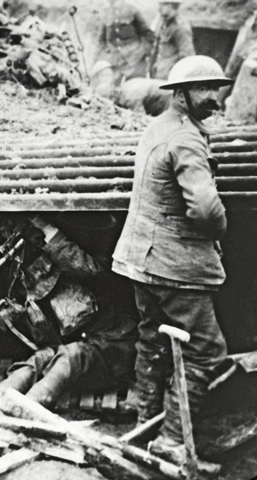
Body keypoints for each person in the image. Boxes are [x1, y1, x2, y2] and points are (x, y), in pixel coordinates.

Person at [112, 56, 233, 463]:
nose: (214, 97)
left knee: (155, 341)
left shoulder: (159, 127)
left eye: (216, 88)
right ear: (180, 93)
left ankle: (144, 427)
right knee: (205, 351)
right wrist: (220, 231)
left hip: (140, 259)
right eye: (204, 89)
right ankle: (170, 440)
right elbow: (205, 209)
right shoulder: (185, 138)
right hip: (173, 265)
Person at [0, 214, 138, 410]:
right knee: (38, 361)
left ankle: (26, 408)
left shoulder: (96, 258)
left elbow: (89, 270)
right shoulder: (37, 268)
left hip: (110, 348)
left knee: (71, 356)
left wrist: (48, 230)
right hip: (73, 349)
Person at [95, 0, 155, 85]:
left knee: (136, 87)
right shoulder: (106, 14)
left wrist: (144, 52)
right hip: (117, 61)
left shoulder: (133, 11)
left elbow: (148, 34)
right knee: (115, 90)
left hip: (135, 60)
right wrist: (108, 53)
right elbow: (101, 40)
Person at [149, 0, 195, 80]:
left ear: (170, 5)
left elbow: (187, 56)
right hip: (159, 73)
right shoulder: (163, 22)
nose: (159, 8)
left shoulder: (180, 27)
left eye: (162, 5)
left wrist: (170, 68)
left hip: (170, 77)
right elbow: (157, 48)